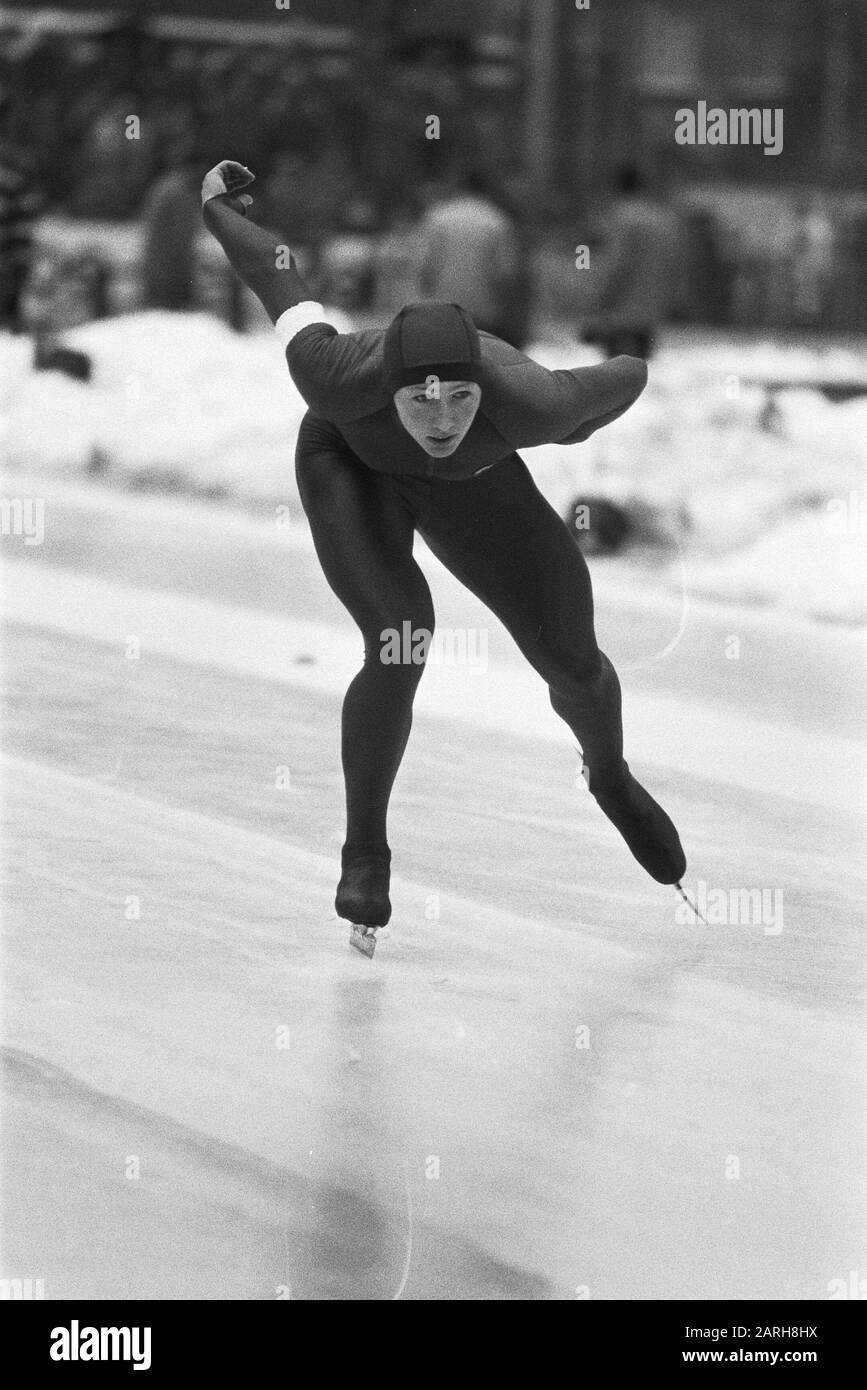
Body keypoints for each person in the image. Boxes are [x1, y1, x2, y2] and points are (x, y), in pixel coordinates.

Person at [201, 161, 687, 942]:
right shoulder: (331, 375)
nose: (439, 415)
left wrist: (581, 415)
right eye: (419, 397)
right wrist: (218, 205)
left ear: (483, 392)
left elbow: (627, 373)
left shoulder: (533, 401)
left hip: (477, 479)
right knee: (400, 636)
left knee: (572, 662)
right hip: (351, 463)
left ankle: (610, 776)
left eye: (459, 396)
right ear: (386, 385)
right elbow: (275, 272)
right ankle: (364, 853)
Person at [581, 164, 684, 360]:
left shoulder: (620, 218)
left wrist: (596, 301)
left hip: (620, 315)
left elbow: (616, 264)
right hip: (652, 311)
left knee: (618, 376)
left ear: (616, 187)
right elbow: (675, 263)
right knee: (639, 374)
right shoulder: (661, 219)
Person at [416, 167, 521, 343]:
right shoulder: (496, 220)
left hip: (442, 311)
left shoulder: (437, 217)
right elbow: (506, 275)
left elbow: (424, 267)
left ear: (457, 187)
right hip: (484, 313)